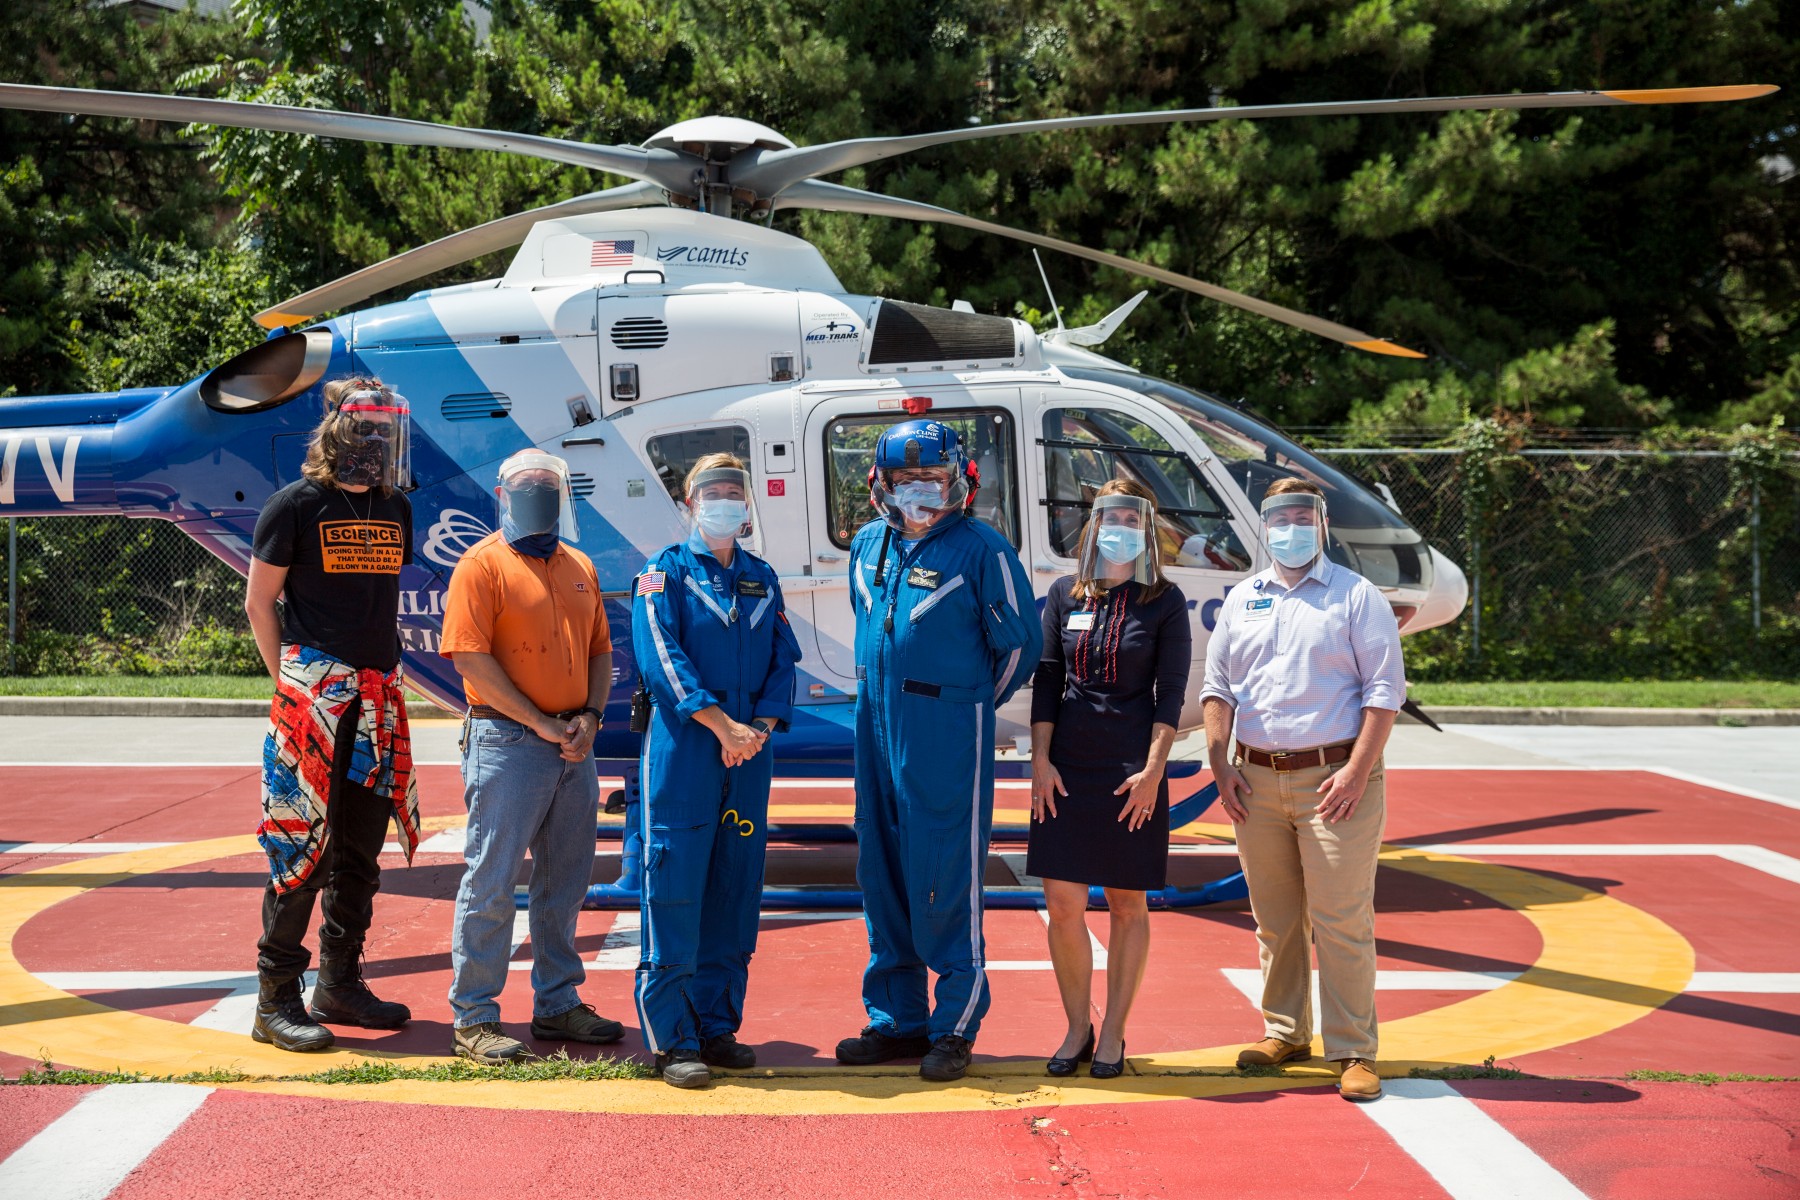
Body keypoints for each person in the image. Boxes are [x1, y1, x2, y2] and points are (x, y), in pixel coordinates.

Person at [835, 418, 1041, 1082]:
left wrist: (965, 701)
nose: (919, 495)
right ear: (879, 485)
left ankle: (954, 1023)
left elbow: (1020, 647)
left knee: (944, 872)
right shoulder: (867, 545)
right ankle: (897, 1018)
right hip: (875, 724)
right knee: (883, 871)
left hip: (946, 730)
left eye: (933, 481)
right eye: (904, 481)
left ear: (959, 485)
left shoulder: (982, 550)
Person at [1201, 478, 1405, 1102]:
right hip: (1255, 780)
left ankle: (1354, 1050)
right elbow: (1218, 687)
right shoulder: (1243, 597)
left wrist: (1354, 770)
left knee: (1340, 919)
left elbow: (1383, 692)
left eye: (1301, 515)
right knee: (1276, 920)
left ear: (1320, 523)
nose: (1289, 526)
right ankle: (1286, 1031)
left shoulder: (1355, 596)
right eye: (1279, 516)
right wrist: (1220, 763)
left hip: (1335, 779)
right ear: (1264, 525)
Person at [244, 376, 421, 1052]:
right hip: (315, 701)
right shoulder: (293, 506)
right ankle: (275, 1000)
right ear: (336, 431)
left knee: (359, 852)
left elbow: (374, 602)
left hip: (378, 700)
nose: (375, 444)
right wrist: (292, 687)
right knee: (300, 847)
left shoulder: (394, 508)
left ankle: (339, 984)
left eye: (387, 431)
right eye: (365, 430)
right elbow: (261, 605)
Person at [439, 449, 626, 1064]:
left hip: (573, 742)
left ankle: (556, 1004)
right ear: (502, 494)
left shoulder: (579, 565)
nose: (539, 495)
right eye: (527, 487)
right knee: (491, 880)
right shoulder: (481, 565)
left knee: (565, 882)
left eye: (549, 487)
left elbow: (600, 652)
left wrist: (589, 719)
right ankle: (474, 1017)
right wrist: (542, 723)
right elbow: (470, 659)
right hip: (507, 743)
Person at [631, 453, 801, 1088]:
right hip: (686, 754)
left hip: (749, 756)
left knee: (735, 890)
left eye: (735, 492)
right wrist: (720, 725)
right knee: (674, 888)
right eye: (712, 492)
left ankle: (716, 1025)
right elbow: (662, 660)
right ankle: (673, 1039)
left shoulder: (761, 578)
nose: (724, 501)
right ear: (688, 502)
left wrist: (757, 728)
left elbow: (785, 659)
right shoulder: (662, 575)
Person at [1029, 479, 1191, 1078]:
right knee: (1063, 904)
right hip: (1066, 766)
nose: (1119, 524)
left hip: (1132, 767)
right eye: (1110, 514)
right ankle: (1077, 1026)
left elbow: (1170, 693)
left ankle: (1115, 1033)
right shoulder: (1062, 594)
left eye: (1131, 515)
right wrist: (1039, 762)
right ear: (1093, 524)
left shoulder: (1164, 602)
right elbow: (1047, 679)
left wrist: (1154, 770)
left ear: (1147, 527)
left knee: (1127, 903)